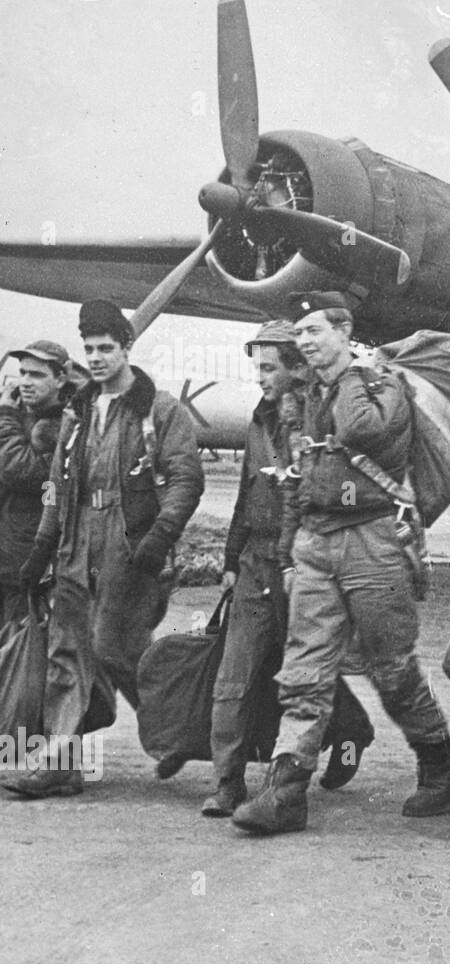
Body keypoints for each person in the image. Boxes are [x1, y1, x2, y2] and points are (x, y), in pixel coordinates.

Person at [231, 292, 450, 835]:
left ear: (344, 331)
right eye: (302, 333)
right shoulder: (302, 397)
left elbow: (363, 430)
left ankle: (440, 759)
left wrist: (348, 376)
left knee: (391, 669)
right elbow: (295, 479)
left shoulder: (378, 385)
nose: (306, 341)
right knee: (303, 670)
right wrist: (292, 550)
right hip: (316, 541)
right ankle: (285, 792)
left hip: (372, 538)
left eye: (316, 330)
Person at [5, 300, 204, 798]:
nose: (95, 357)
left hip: (129, 542)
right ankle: (61, 763)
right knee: (66, 652)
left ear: (127, 348)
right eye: (89, 348)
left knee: (117, 650)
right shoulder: (78, 410)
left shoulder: (159, 409)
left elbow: (185, 478)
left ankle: (176, 734)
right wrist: (44, 544)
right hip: (75, 543)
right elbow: (56, 481)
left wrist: (161, 536)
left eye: (105, 348)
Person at [201, 320, 375, 817]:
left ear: (298, 368)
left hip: (302, 562)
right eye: (257, 366)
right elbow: (245, 493)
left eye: (270, 367)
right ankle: (228, 783)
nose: (260, 377)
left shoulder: (320, 419)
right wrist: (231, 560)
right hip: (257, 563)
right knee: (234, 675)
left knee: (300, 673)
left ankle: (349, 732)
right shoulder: (258, 420)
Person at [0, 341, 70, 625]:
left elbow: (20, 470)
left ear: (60, 379)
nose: (26, 382)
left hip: (26, 563)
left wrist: (5, 415)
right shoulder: (24, 418)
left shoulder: (62, 427)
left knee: (16, 652)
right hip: (9, 555)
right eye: (23, 373)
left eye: (37, 375)